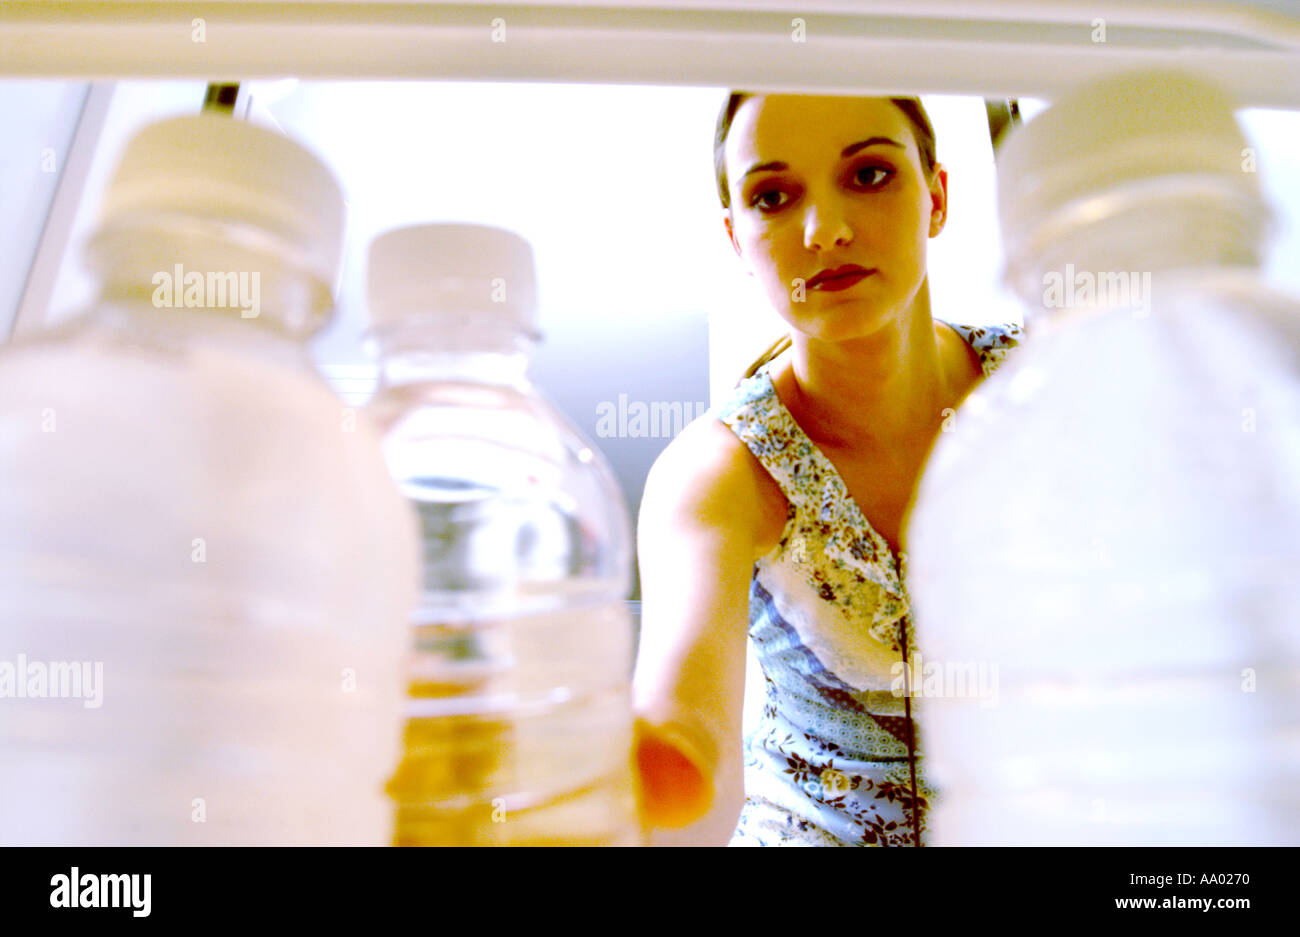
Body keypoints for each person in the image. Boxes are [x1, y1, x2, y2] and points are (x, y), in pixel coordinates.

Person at [631, 92, 1023, 846]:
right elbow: (681, 723)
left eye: (870, 175)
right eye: (773, 197)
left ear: (936, 197)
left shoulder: (1050, 384)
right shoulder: (719, 472)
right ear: (737, 240)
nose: (826, 231)